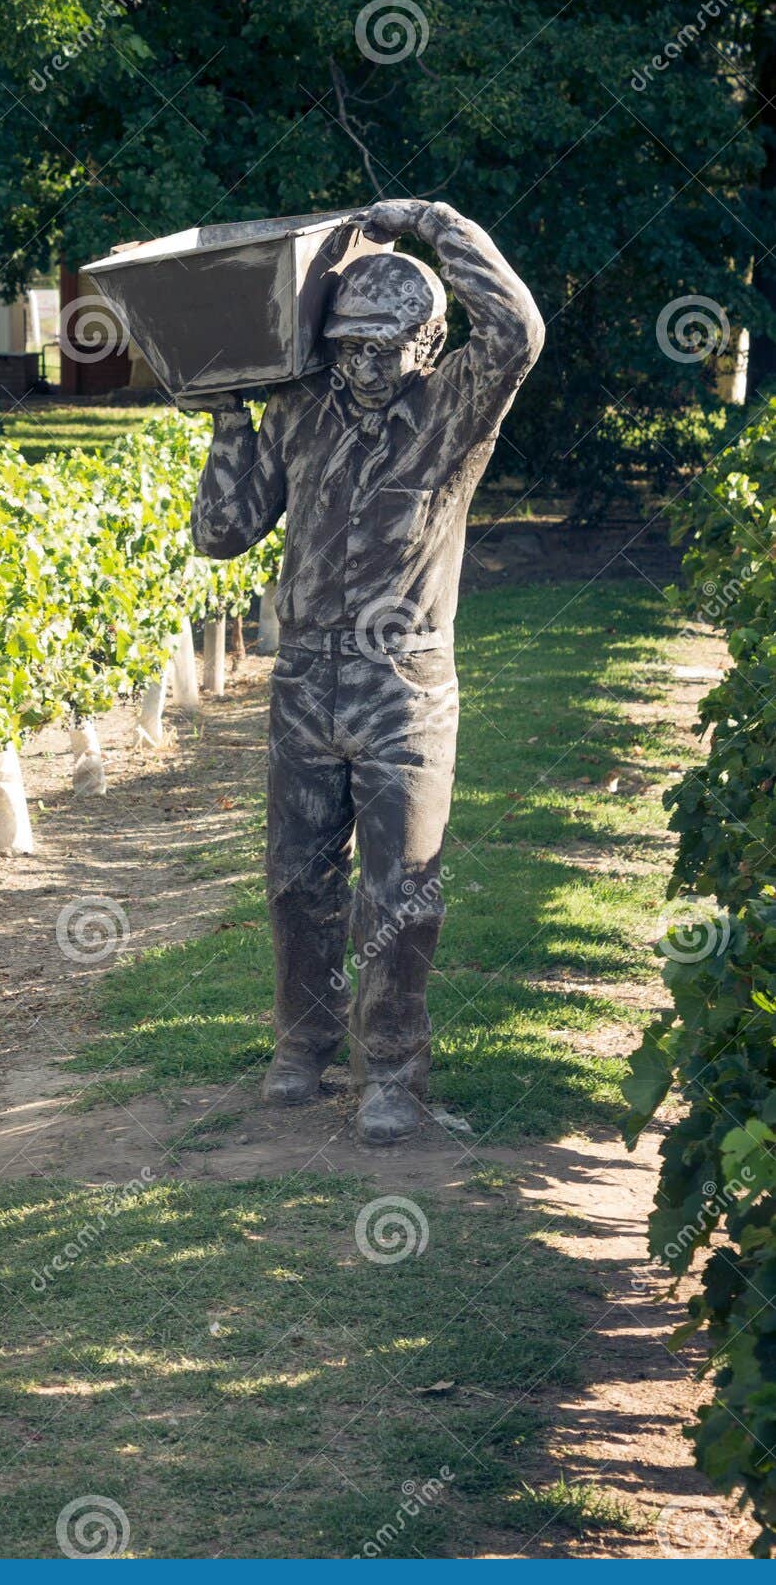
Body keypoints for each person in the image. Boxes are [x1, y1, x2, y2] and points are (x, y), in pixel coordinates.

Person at [188, 198, 544, 1143]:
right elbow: (222, 534)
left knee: (399, 890)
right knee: (296, 880)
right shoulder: (299, 409)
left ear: (428, 343)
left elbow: (517, 327)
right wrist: (230, 416)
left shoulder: (456, 408)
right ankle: (300, 1049)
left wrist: (432, 221)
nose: (362, 363)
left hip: (404, 688)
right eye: (347, 344)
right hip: (305, 680)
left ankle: (390, 1071)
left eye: (383, 347)